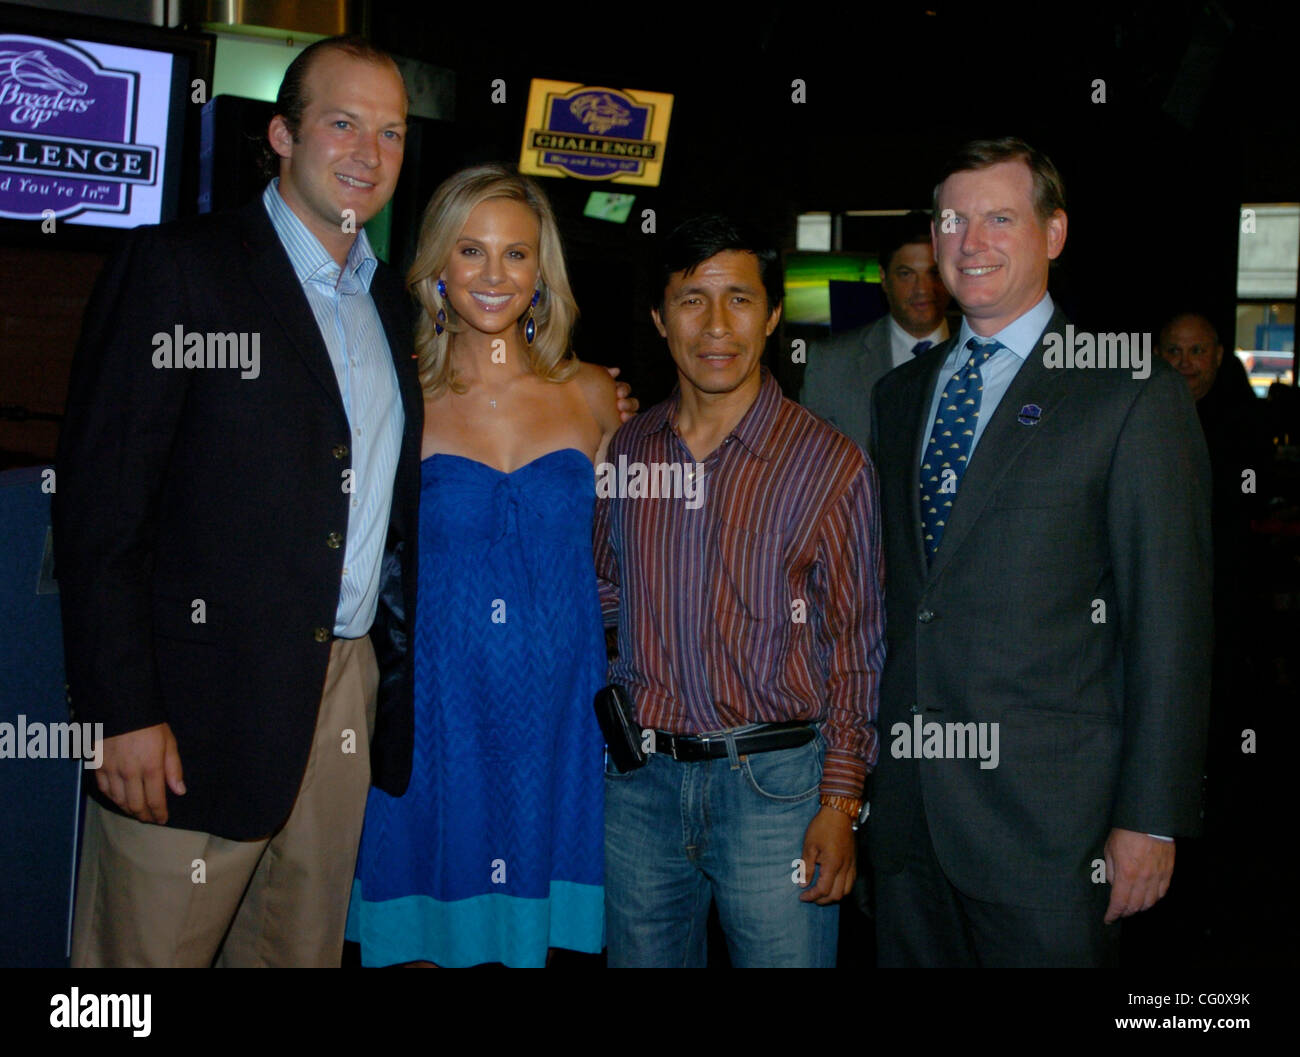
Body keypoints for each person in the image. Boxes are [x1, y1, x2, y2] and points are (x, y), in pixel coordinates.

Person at [53, 36, 422, 967]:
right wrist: (118, 710)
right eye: (343, 123)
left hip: (341, 697)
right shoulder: (179, 268)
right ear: (282, 136)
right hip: (189, 713)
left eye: (391, 131)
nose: (368, 153)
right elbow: (102, 511)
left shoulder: (395, 308)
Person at [867, 138, 1213, 967]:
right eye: (953, 219)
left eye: (999, 218)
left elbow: (1171, 621)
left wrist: (1151, 814)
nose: (970, 240)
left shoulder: (1129, 389)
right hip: (910, 821)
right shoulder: (900, 393)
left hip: (1053, 830)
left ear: (1053, 234)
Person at [345, 164, 621, 968]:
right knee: (427, 936)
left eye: (516, 254)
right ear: (435, 266)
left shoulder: (595, 394)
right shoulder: (396, 394)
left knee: (541, 943)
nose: (494, 276)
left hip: (560, 714)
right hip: (436, 710)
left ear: (543, 272)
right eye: (471, 251)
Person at [595, 215, 885, 968]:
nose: (716, 325)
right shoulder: (626, 450)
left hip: (778, 793)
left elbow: (858, 645)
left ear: (774, 313)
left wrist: (840, 803)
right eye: (692, 300)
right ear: (660, 318)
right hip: (640, 791)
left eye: (740, 299)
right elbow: (603, 593)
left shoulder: (832, 465)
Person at [800, 211, 950, 452]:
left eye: (933, 273)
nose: (922, 289)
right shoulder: (831, 363)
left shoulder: (983, 354)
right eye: (906, 274)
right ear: (883, 278)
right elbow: (812, 462)